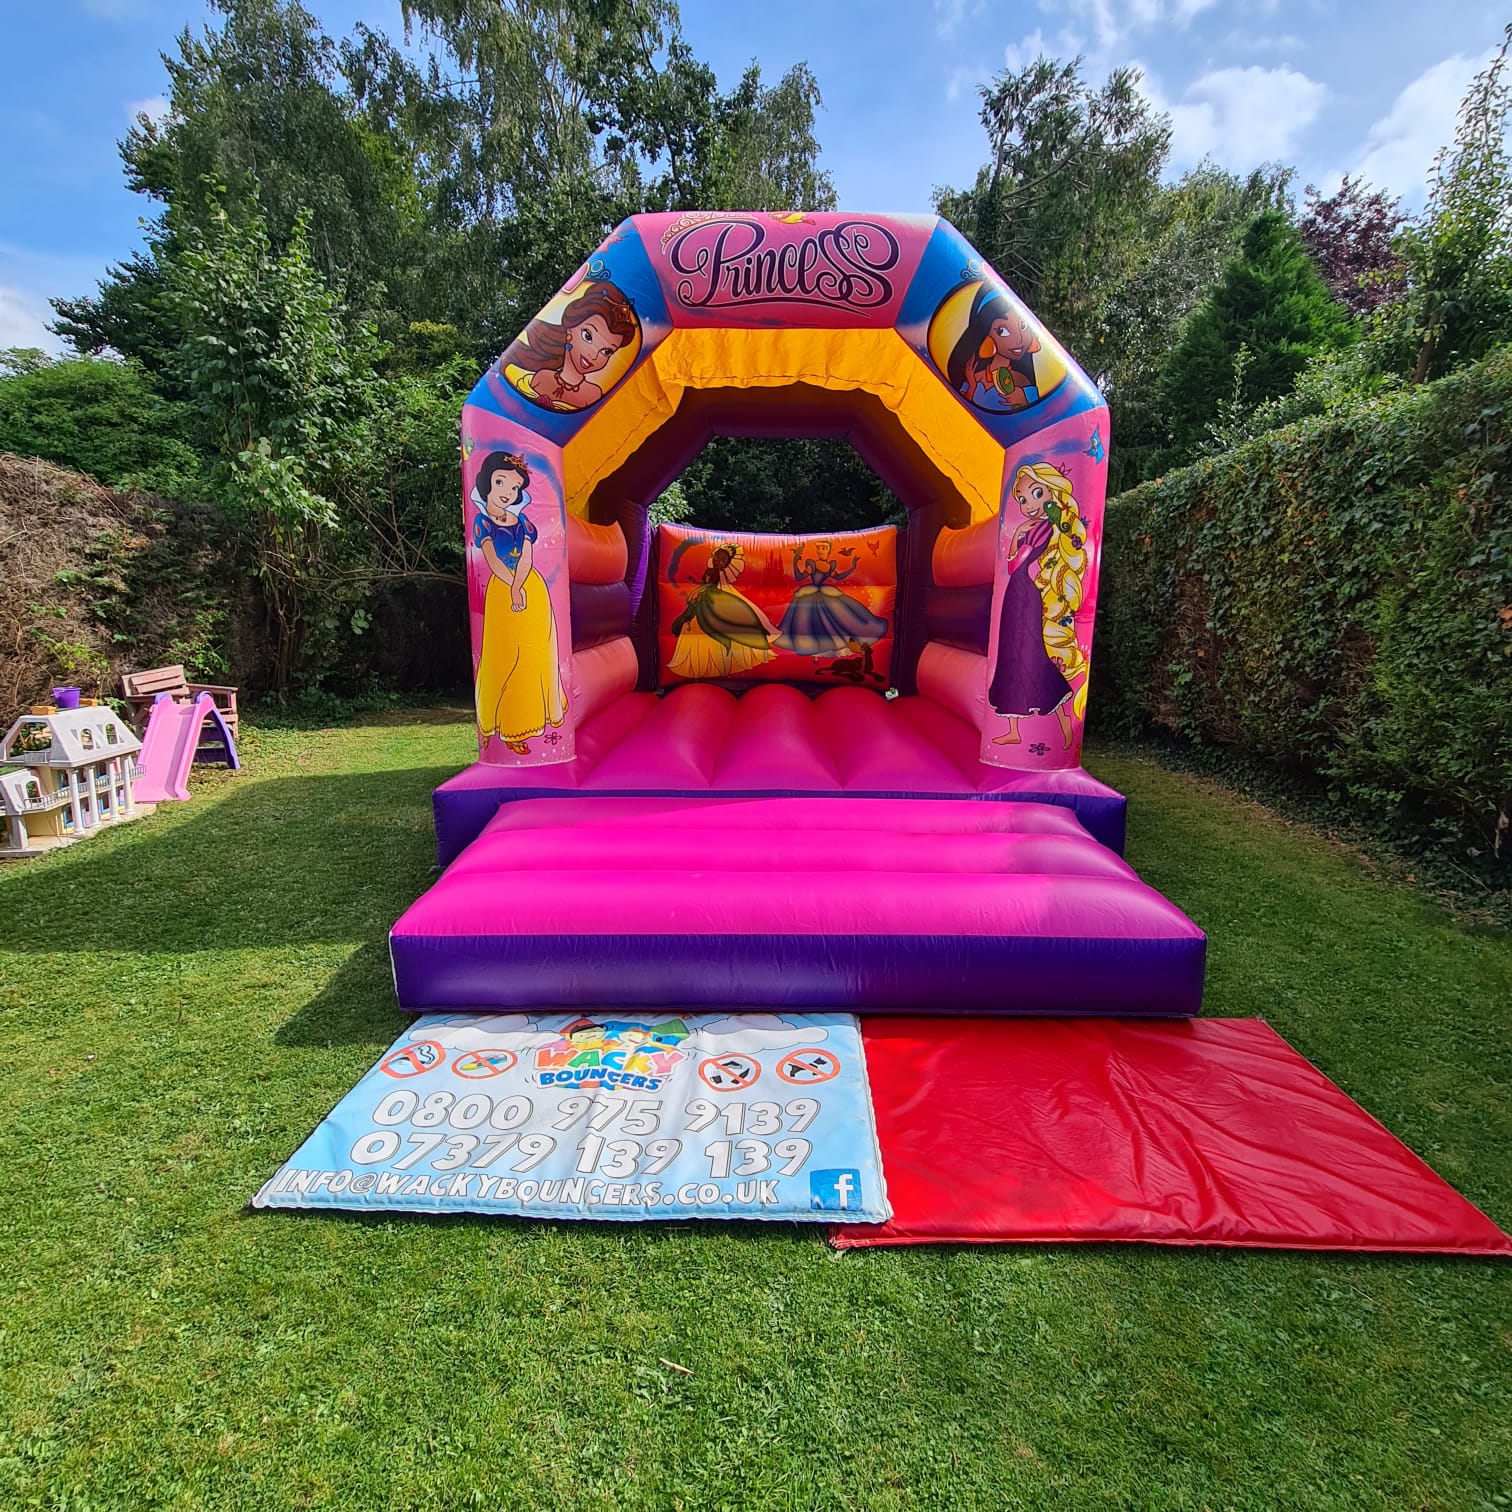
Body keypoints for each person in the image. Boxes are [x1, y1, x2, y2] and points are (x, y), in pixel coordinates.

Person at [471, 452, 567, 754]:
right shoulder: (483, 523)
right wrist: (511, 587)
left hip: (530, 587)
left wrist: (518, 586)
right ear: (486, 482)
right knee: (502, 654)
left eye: (514, 488)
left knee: (532, 654)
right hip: (501, 589)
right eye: (501, 482)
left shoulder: (523, 522)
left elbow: (526, 556)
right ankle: (492, 722)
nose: (507, 492)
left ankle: (519, 726)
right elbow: (492, 559)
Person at [988, 462, 1088, 748]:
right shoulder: (1030, 528)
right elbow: (1011, 563)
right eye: (1022, 499)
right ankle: (1014, 728)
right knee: (1011, 655)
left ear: (1052, 491)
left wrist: (1022, 536)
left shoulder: (1049, 529)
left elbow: (1016, 563)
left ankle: (1063, 721)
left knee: (1033, 654)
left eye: (1035, 494)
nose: (1028, 505)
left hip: (1028, 595)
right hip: (1016, 593)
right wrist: (1019, 535)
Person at [501, 281, 638, 411]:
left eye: (607, 351)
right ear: (570, 329)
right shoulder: (541, 377)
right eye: (587, 336)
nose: (594, 355)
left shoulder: (593, 394)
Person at [667, 543, 780, 679]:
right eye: (716, 559)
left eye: (722, 561)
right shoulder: (710, 571)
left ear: (727, 564)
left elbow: (711, 584)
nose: (718, 562)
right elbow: (706, 583)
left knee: (730, 615)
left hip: (715, 596)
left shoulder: (719, 575)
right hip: (707, 595)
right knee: (697, 618)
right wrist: (696, 583)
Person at [774, 539, 889, 660]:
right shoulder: (812, 564)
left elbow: (838, 577)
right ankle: (810, 644)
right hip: (811, 593)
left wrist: (852, 567)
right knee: (805, 618)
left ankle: (843, 636)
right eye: (818, 549)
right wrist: (795, 561)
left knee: (842, 613)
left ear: (828, 551)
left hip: (825, 591)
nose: (820, 551)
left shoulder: (830, 565)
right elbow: (799, 577)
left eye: (823, 549)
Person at [946, 283, 1043, 410]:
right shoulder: (974, 375)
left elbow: (1037, 414)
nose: (1019, 339)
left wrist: (1023, 400)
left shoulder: (1022, 381)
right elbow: (957, 405)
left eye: (1023, 326)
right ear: (986, 334)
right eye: (1002, 330)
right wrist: (972, 387)